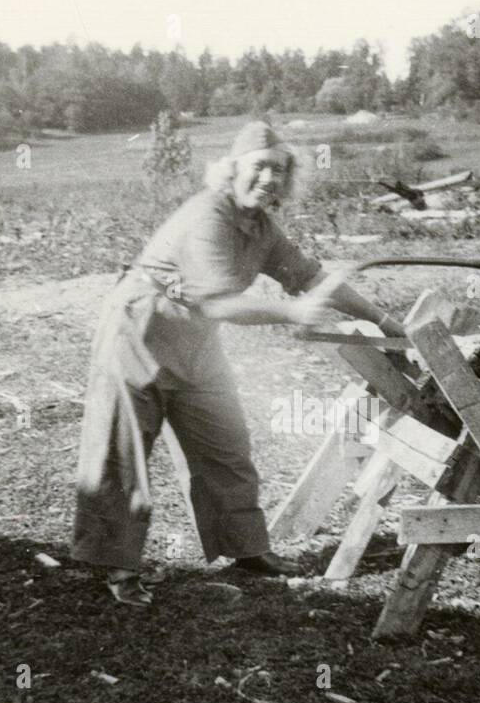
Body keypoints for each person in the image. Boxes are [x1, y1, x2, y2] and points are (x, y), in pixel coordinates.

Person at [72, 120, 401, 605]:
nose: (268, 178)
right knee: (125, 451)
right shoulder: (208, 214)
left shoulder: (262, 228)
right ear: (232, 170)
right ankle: (116, 565)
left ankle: (247, 548)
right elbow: (219, 302)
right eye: (260, 167)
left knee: (224, 442)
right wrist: (288, 313)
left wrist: (382, 319)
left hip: (195, 340)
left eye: (279, 171)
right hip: (139, 330)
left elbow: (310, 276)